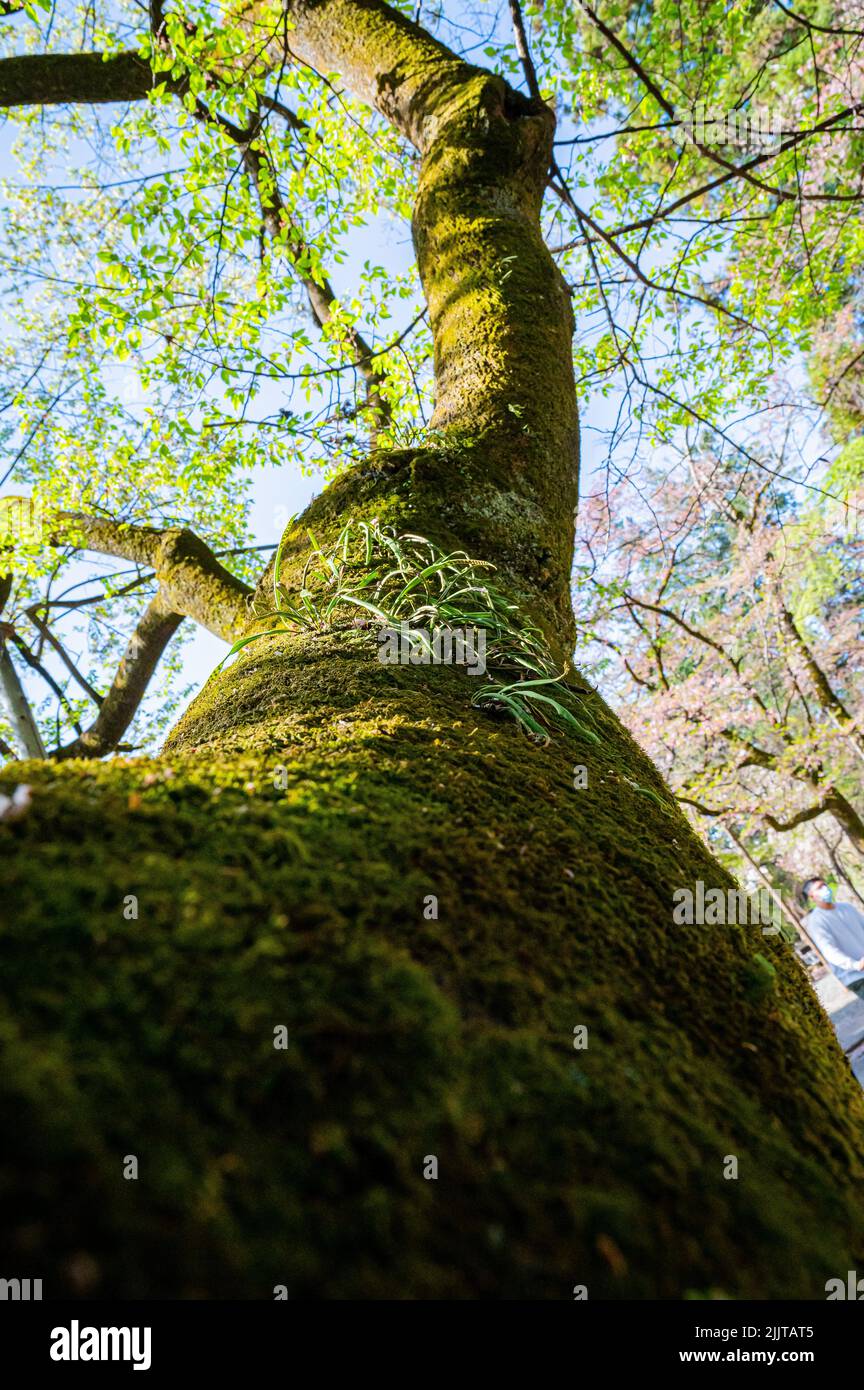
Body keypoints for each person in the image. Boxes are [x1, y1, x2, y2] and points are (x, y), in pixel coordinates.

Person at [801, 877, 864, 998]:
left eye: (824, 885)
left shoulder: (846, 907)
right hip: (854, 975)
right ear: (812, 896)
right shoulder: (816, 921)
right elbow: (829, 950)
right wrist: (855, 965)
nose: (825, 889)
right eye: (819, 888)